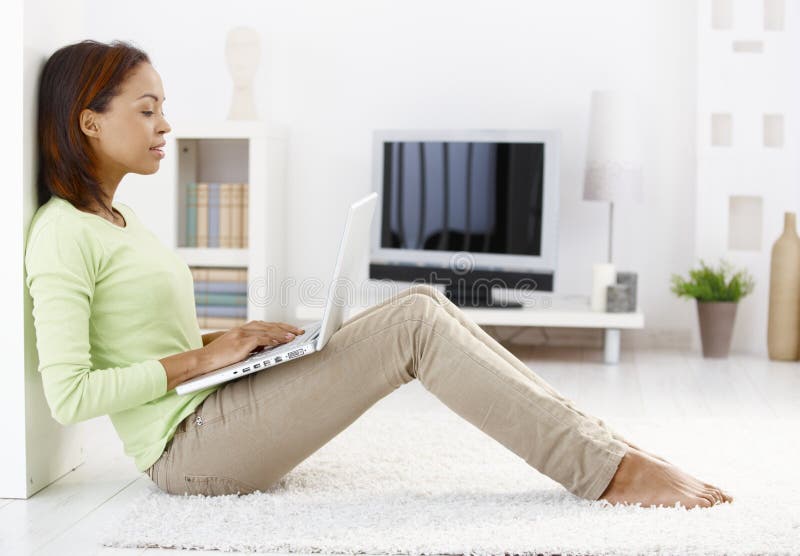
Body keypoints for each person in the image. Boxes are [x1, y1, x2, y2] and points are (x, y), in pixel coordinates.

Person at [25, 39, 733, 509]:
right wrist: (204, 357)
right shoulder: (61, 235)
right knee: (417, 324)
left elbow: (142, 338)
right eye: (147, 110)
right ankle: (610, 472)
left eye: (163, 110)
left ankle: (606, 447)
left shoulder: (120, 220)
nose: (165, 126)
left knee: (423, 299)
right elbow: (71, 395)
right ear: (88, 123)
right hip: (188, 453)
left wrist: (229, 338)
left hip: (211, 405)